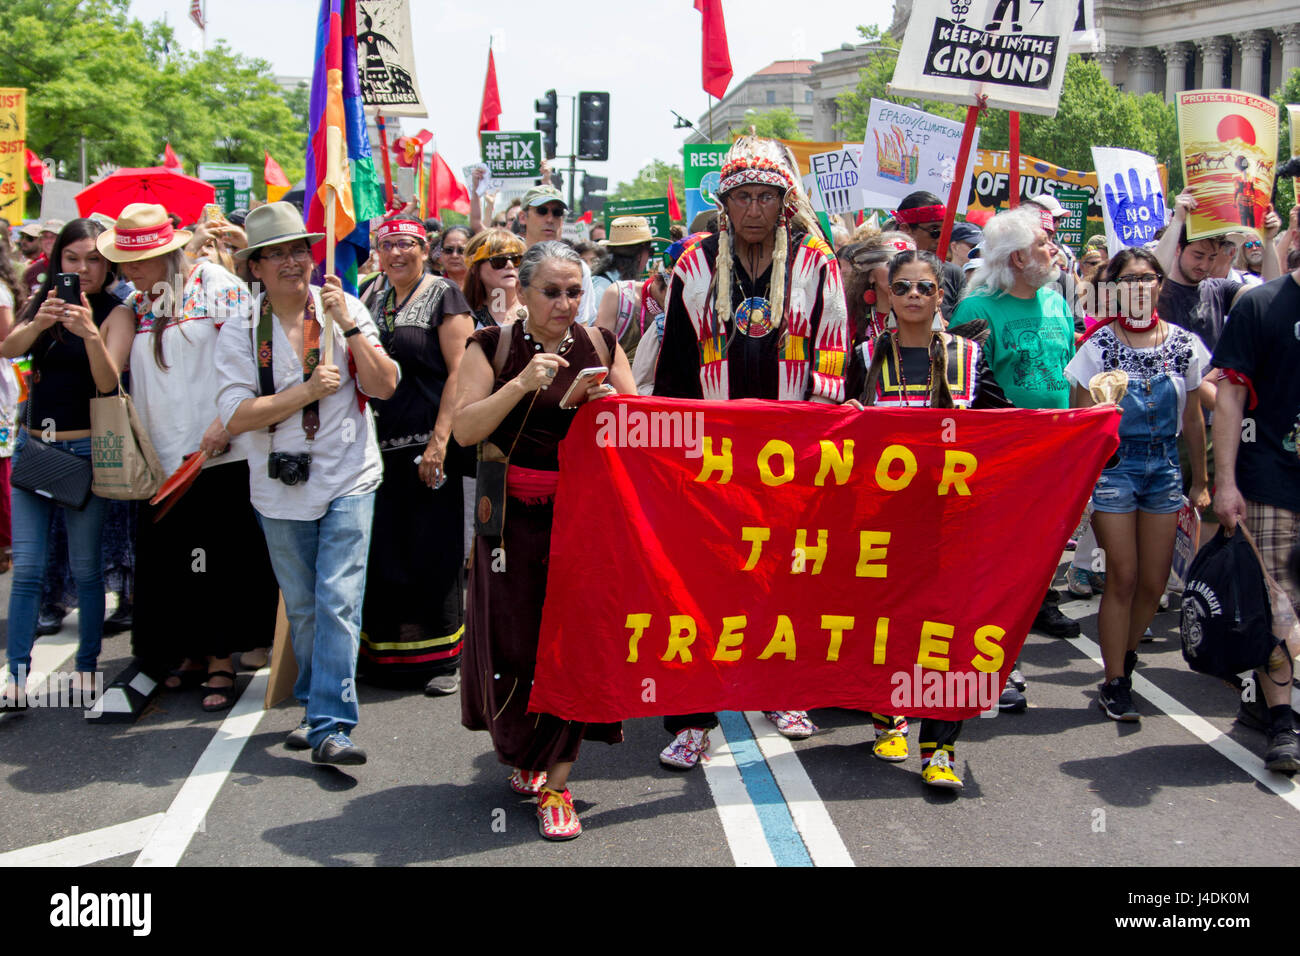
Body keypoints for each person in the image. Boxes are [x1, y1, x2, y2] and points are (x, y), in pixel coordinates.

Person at [653, 135, 849, 764]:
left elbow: (834, 361)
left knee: (785, 579)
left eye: (768, 196)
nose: (756, 209)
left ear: (785, 203)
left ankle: (783, 690)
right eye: (744, 197)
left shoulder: (817, 265)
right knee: (703, 583)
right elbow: (676, 373)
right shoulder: (693, 268)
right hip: (713, 458)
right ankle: (691, 719)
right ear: (726, 202)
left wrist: (815, 445)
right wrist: (674, 455)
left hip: (790, 459)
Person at [455, 240, 634, 840]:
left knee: (575, 644)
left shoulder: (602, 345)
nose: (564, 303)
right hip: (508, 518)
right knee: (514, 646)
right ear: (522, 294)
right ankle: (527, 756)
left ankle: (558, 784)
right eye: (551, 292)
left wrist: (611, 407)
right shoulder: (492, 345)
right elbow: (463, 430)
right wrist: (519, 386)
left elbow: (639, 429)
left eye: (574, 291)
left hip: (584, 518)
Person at [216, 202, 399, 765]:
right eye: (278, 255)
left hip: (350, 474)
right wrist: (304, 394)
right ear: (256, 268)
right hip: (278, 486)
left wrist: (347, 322)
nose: (294, 262)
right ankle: (314, 704)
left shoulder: (343, 307)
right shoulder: (242, 327)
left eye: (300, 250)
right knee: (304, 608)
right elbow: (233, 415)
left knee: (339, 601)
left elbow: (386, 385)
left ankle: (330, 725)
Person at [95, 203, 279, 712]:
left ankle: (221, 659)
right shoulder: (132, 304)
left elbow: (250, 352)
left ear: (171, 251)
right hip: (161, 456)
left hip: (218, 450)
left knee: (217, 558)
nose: (133, 269)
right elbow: (111, 377)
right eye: (127, 260)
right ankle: (188, 654)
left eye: (145, 258)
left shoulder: (215, 284)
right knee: (174, 561)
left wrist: (227, 422)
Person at [856, 249, 1011, 788]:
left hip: (954, 520)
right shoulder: (865, 357)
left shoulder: (969, 357)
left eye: (925, 288)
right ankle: (888, 716)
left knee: (949, 631)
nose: (915, 297)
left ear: (941, 295)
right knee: (886, 623)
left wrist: (1084, 432)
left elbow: (1011, 426)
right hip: (883, 520)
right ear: (885, 296)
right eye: (903, 288)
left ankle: (939, 748)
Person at [1065, 248, 1210, 722]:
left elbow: (1193, 416)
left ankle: (1124, 659)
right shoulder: (1097, 347)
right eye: (1129, 280)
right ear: (1114, 287)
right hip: (1115, 472)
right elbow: (1081, 420)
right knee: (1123, 578)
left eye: (1148, 278)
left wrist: (1202, 481)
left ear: (1160, 284)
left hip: (1164, 469)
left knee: (1154, 582)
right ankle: (1115, 681)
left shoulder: (1185, 345)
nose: (1140, 287)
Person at [1, 219, 133, 707]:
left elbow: (106, 382)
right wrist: (39, 324)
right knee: (29, 569)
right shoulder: (45, 302)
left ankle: (85, 667)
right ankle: (16, 677)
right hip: (36, 451)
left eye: (93, 259)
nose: (83, 268)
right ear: (59, 261)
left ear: (107, 262)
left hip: (86, 454)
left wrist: (88, 332)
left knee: (85, 569)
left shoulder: (117, 311)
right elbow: (8, 348)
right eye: (72, 258)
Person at [947, 206, 1081, 680]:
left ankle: (1021, 635)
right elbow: (960, 392)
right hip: (1000, 458)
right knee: (997, 566)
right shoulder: (975, 310)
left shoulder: (1058, 304)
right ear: (1020, 257)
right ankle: (996, 665)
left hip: (1055, 456)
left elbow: (1069, 373)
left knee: (1040, 554)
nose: (1053, 251)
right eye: (1045, 244)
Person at [355, 218, 473, 696]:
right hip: (376, 448)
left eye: (406, 244)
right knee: (385, 550)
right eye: (388, 245)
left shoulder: (444, 295)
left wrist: (439, 441)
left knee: (432, 550)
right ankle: (385, 655)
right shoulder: (370, 297)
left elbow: (460, 374)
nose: (397, 254)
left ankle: (443, 660)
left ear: (425, 249)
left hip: (427, 444)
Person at [1210, 252, 1300, 774]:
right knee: (1277, 610)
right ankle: (1282, 723)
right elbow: (1230, 397)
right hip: (1270, 483)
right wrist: (1224, 482)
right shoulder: (1261, 304)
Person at [517, 185, 598, 325]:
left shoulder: (578, 268)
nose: (550, 219)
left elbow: (581, 326)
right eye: (542, 211)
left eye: (557, 212)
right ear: (523, 217)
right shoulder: (505, 262)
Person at [594, 217, 662, 363]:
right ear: (639, 255)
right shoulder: (605, 288)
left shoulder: (620, 288)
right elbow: (596, 346)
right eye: (649, 252)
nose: (648, 258)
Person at [889, 191, 964, 319]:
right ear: (905, 229)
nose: (941, 239)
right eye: (934, 232)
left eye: (945, 232)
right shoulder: (885, 271)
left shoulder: (953, 273)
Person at [462, 227, 527, 329]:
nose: (510, 265)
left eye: (516, 260)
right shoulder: (464, 317)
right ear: (474, 268)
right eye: (499, 261)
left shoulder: (538, 309)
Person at [436, 225, 471, 290]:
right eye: (449, 250)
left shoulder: (484, 288)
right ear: (441, 253)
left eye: (461, 250)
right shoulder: (432, 290)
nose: (454, 255)